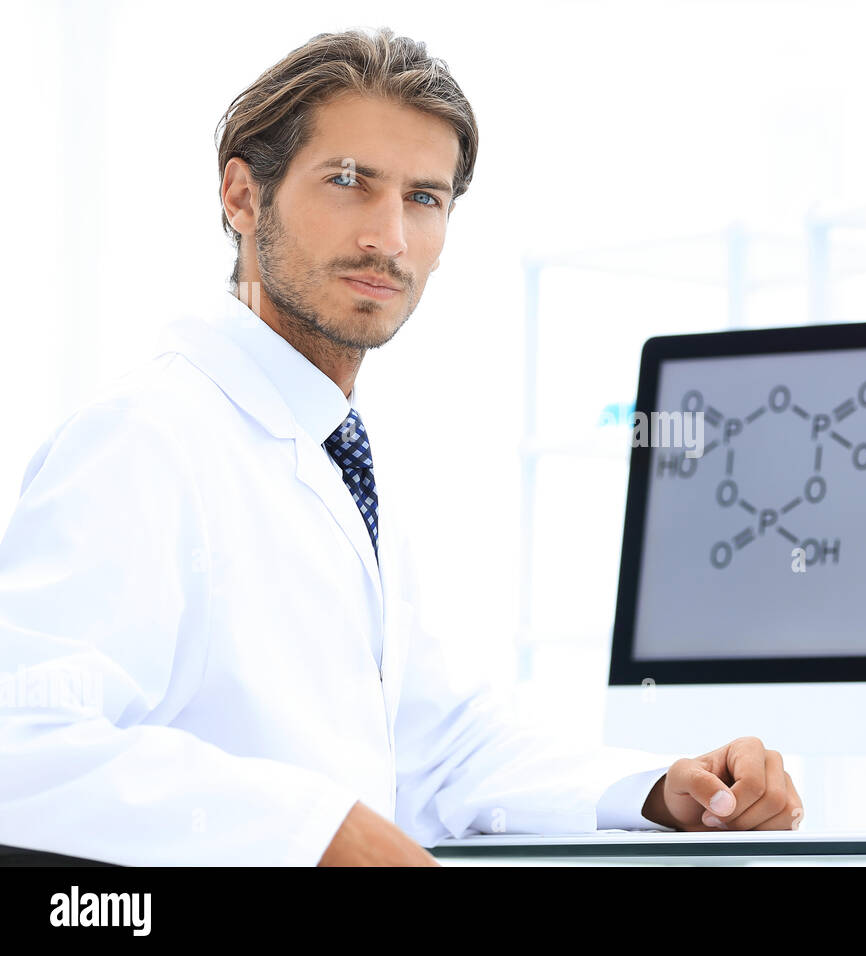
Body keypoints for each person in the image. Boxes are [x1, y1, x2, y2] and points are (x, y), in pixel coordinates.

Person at [0, 26, 802, 866]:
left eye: (424, 198)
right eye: (349, 182)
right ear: (242, 197)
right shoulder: (145, 439)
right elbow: (21, 738)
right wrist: (316, 832)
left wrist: (660, 789)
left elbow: (435, 751)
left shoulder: (338, 452)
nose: (390, 238)